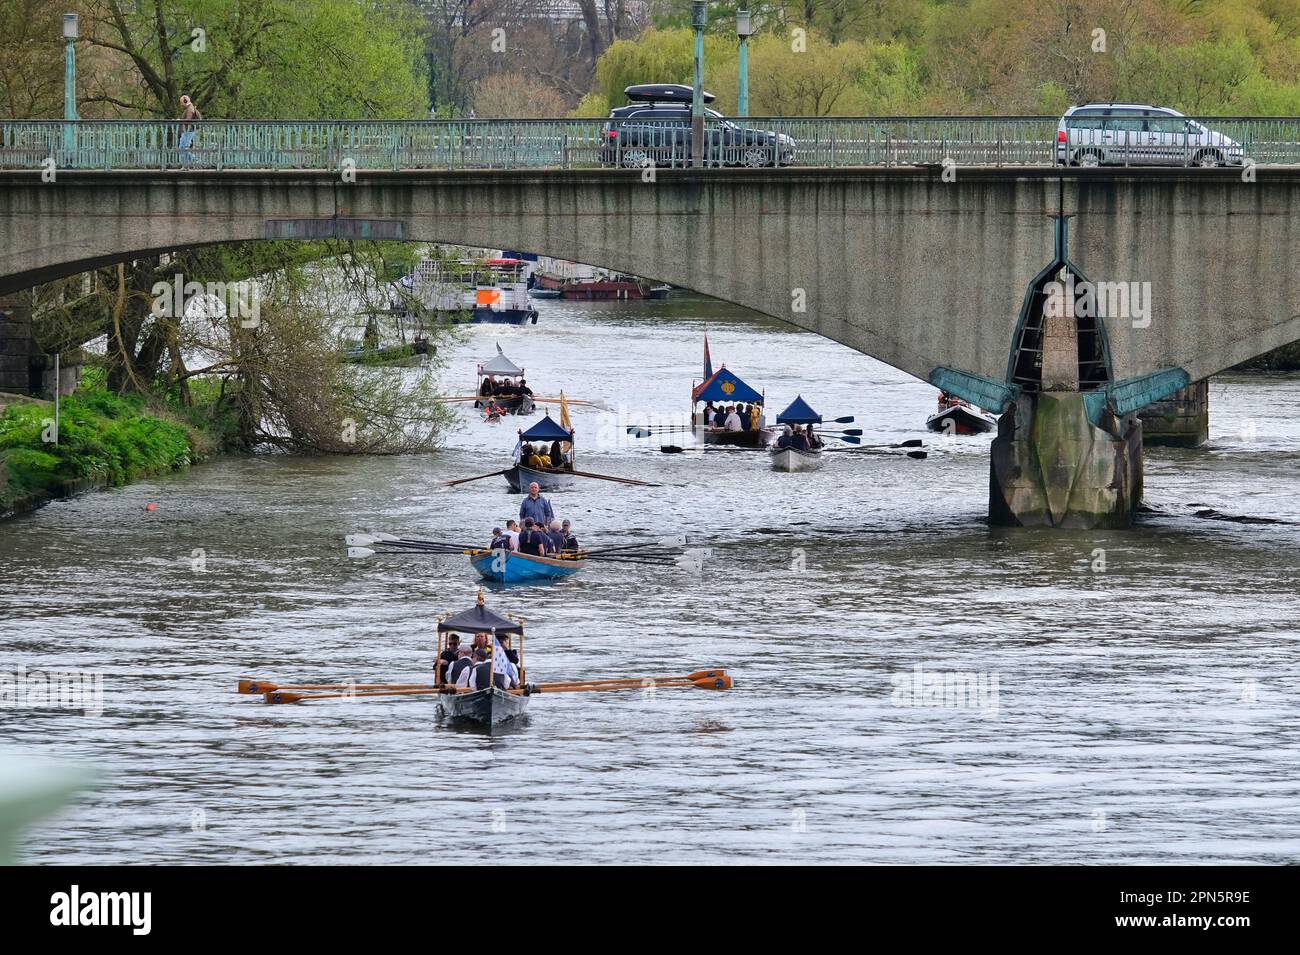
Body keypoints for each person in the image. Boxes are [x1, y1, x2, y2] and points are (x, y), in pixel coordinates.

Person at [179, 95, 201, 168]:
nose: (181, 104)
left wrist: (179, 121)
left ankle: (193, 161)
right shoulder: (189, 108)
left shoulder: (190, 109)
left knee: (183, 147)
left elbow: (188, 120)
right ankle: (188, 163)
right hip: (187, 131)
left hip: (188, 131)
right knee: (183, 147)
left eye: (181, 102)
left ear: (185, 102)